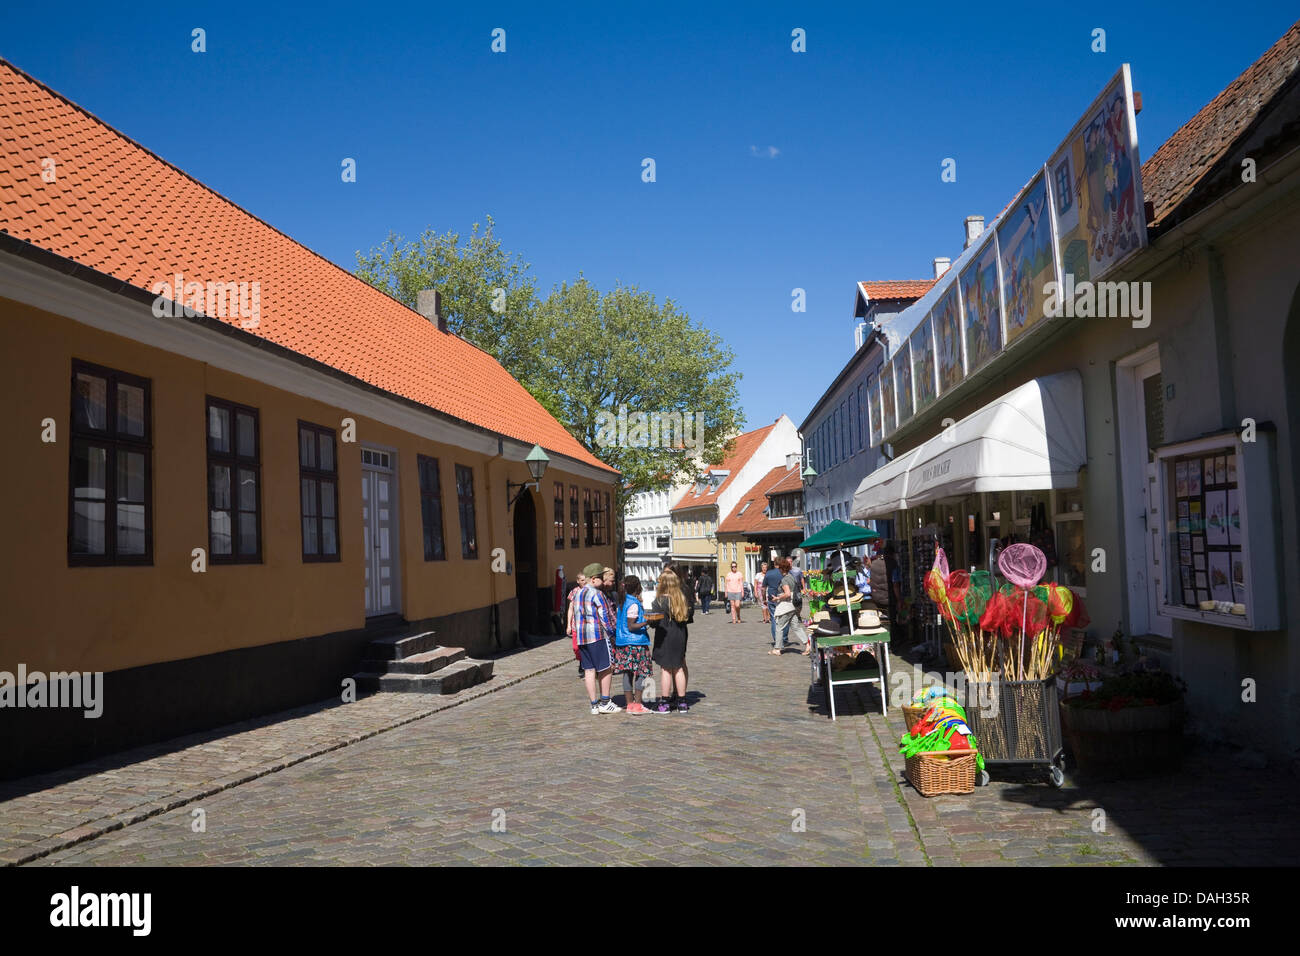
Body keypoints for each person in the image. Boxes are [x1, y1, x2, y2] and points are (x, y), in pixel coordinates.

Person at [574, 562, 620, 714]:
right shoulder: (597, 594)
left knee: (589, 670)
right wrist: (612, 633)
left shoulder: (577, 593)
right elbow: (604, 616)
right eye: (601, 577)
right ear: (593, 579)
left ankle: (594, 704)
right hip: (597, 635)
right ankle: (605, 702)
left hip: (582, 637)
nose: (602, 580)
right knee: (606, 668)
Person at [651, 568, 692, 712]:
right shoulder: (681, 599)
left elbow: (655, 621)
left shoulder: (659, 601)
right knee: (679, 667)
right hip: (679, 636)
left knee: (666, 670)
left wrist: (650, 621)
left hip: (665, 637)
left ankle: (664, 702)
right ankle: (682, 701)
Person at [613, 575, 653, 715]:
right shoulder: (633, 603)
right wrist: (647, 621)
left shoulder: (622, 601)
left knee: (627, 673)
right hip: (636, 643)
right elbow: (631, 626)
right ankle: (637, 704)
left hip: (622, 642)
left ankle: (629, 704)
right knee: (642, 673)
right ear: (637, 587)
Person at [769, 556, 811, 656]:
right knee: (795, 626)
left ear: (781, 568)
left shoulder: (784, 580)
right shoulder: (791, 576)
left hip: (787, 606)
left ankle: (777, 649)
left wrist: (777, 598)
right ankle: (808, 645)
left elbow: (787, 593)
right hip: (794, 605)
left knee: (779, 626)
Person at [763, 559, 787, 648]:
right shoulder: (784, 573)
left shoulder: (768, 573)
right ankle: (784, 638)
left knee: (773, 619)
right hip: (782, 597)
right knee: (784, 618)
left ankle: (776, 640)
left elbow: (763, 588)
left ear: (774, 564)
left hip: (771, 598)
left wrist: (763, 598)